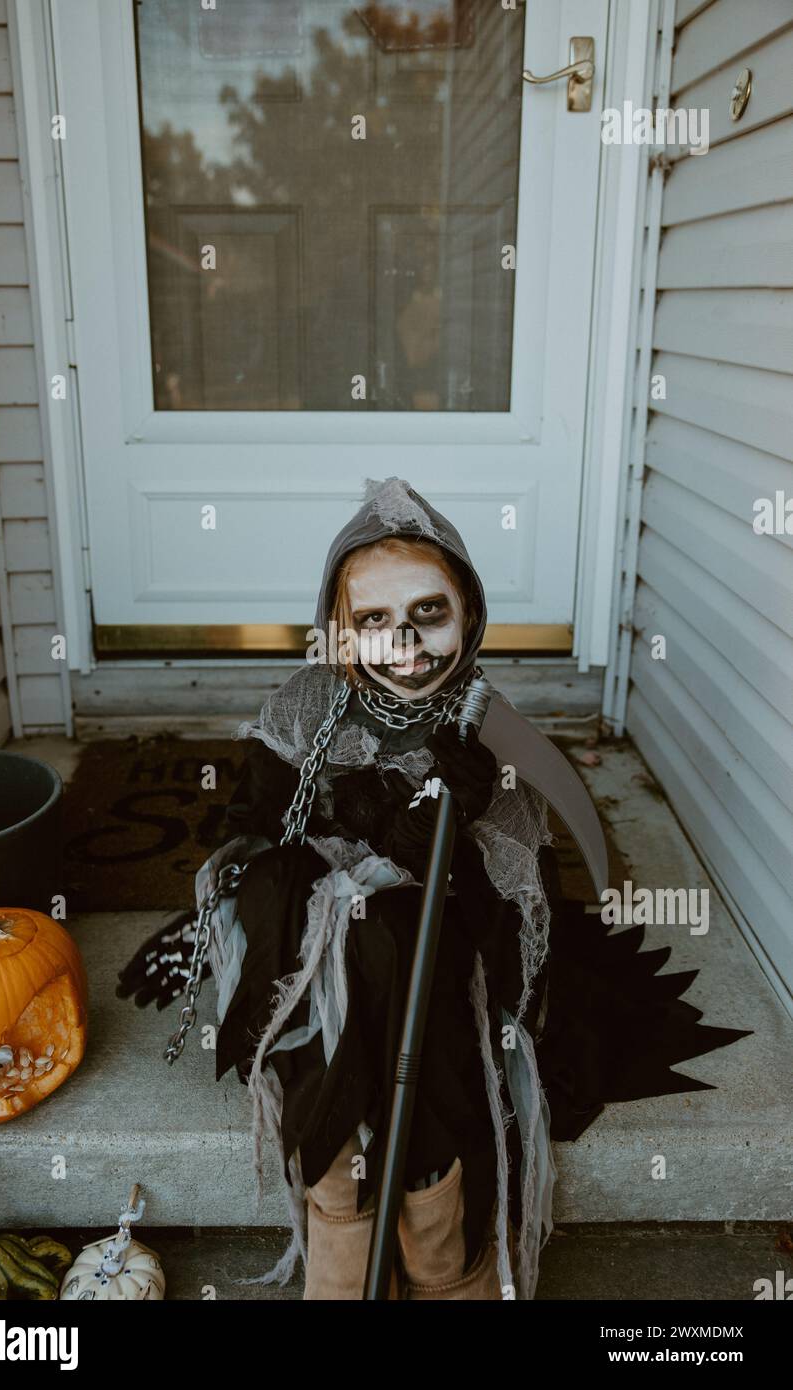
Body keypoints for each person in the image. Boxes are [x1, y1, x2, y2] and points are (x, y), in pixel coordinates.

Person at [118, 477, 749, 1301]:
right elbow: (253, 837)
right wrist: (356, 818)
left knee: (397, 936)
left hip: (431, 969)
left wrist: (450, 834)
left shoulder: (487, 732)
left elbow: (514, 909)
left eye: (428, 613)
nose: (404, 644)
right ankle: (346, 1216)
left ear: (470, 614)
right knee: (353, 929)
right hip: (311, 962)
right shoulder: (306, 707)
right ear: (339, 628)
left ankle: (433, 1244)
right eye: (373, 620)